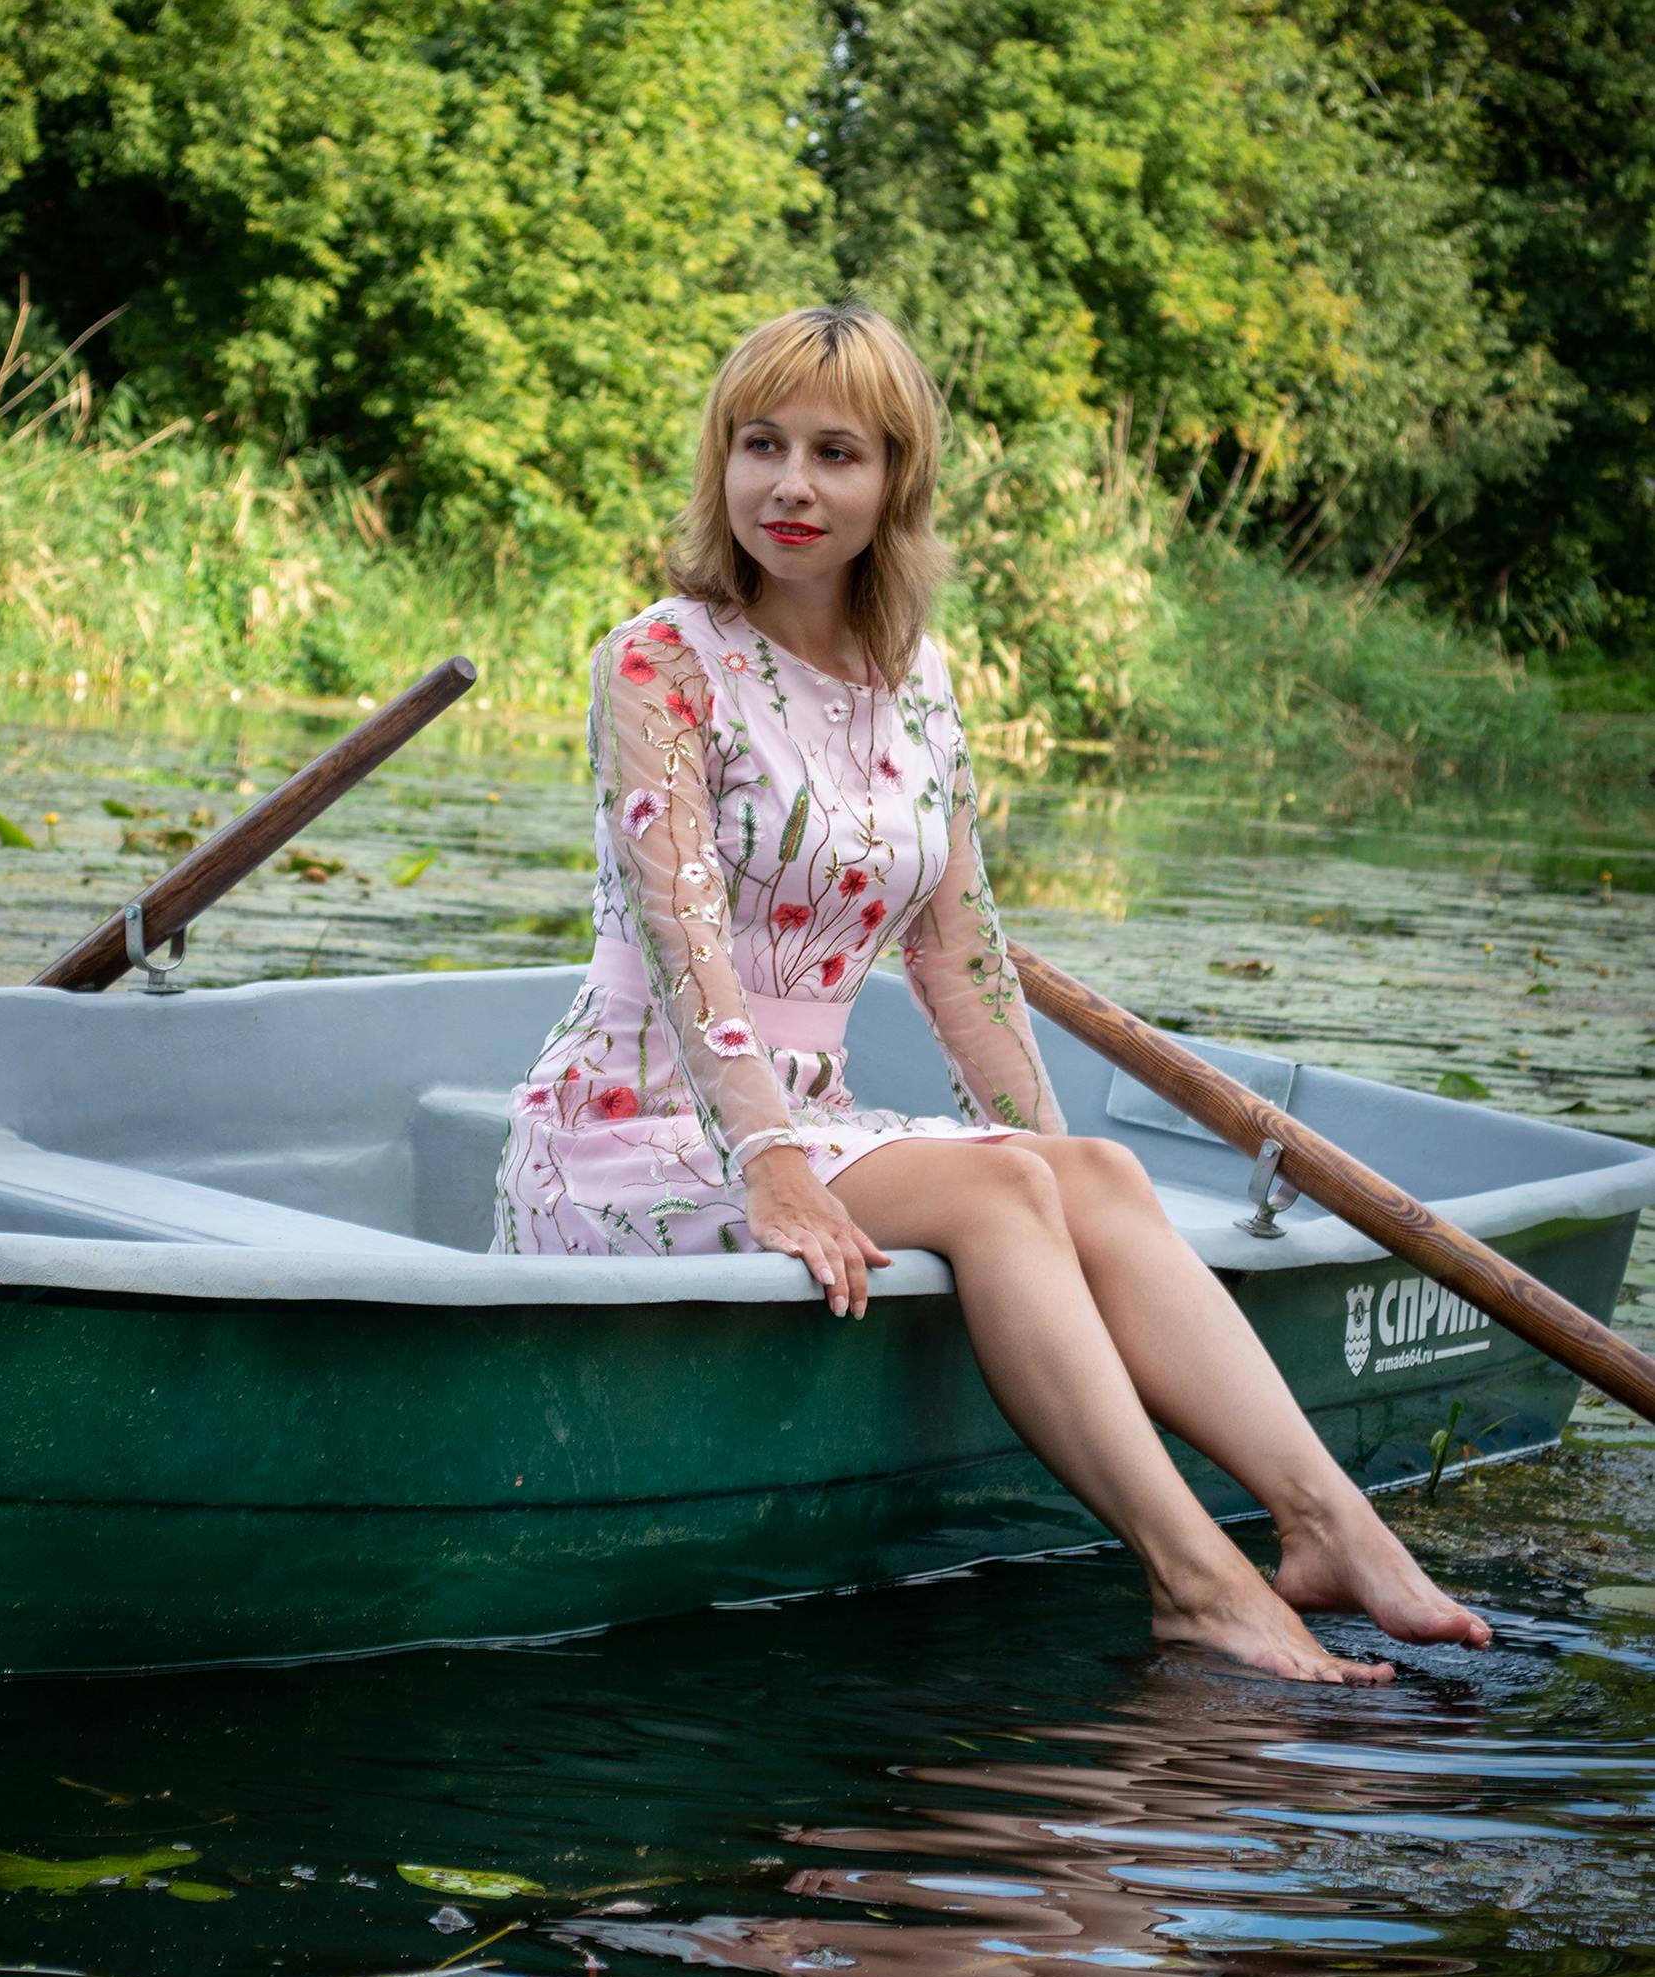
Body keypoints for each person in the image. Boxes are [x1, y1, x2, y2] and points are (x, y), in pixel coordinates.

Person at [493, 304, 1490, 1681]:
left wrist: (1054, 1155)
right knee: (999, 1191)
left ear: (892, 480)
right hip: (635, 1129)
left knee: (1085, 1177)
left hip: (807, 1117)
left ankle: (1327, 1524)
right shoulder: (657, 661)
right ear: (719, 462)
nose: (790, 485)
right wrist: (771, 1166)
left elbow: (957, 957)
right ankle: (1196, 1580)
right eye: (760, 445)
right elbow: (682, 944)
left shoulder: (917, 681)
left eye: (835, 453)